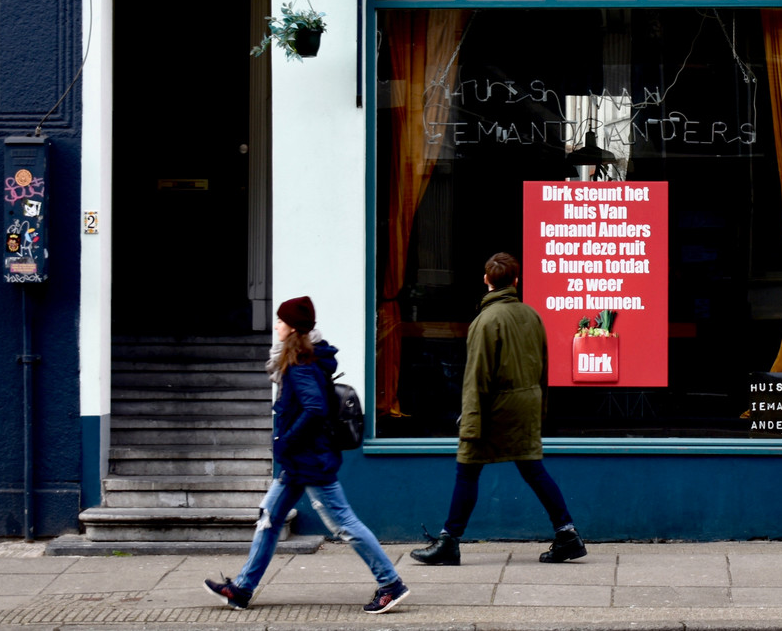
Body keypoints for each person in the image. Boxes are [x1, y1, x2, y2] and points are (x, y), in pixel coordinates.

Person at [205, 296, 411, 614]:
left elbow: (315, 408)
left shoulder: (301, 364)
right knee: (269, 520)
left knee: (344, 523)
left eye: (280, 321)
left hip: (309, 460)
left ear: (293, 327)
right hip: (299, 461)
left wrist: (287, 440)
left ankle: (390, 584)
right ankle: (242, 589)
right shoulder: (303, 359)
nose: (276, 325)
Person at [410, 252, 586, 566]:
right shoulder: (531, 316)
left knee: (467, 470)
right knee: (533, 469)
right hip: (525, 408)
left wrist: (471, 422)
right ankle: (567, 533)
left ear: (486, 280)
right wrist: (540, 409)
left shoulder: (485, 321)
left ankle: (449, 541)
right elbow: (543, 368)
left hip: (493, 409)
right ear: (516, 281)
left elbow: (476, 378)